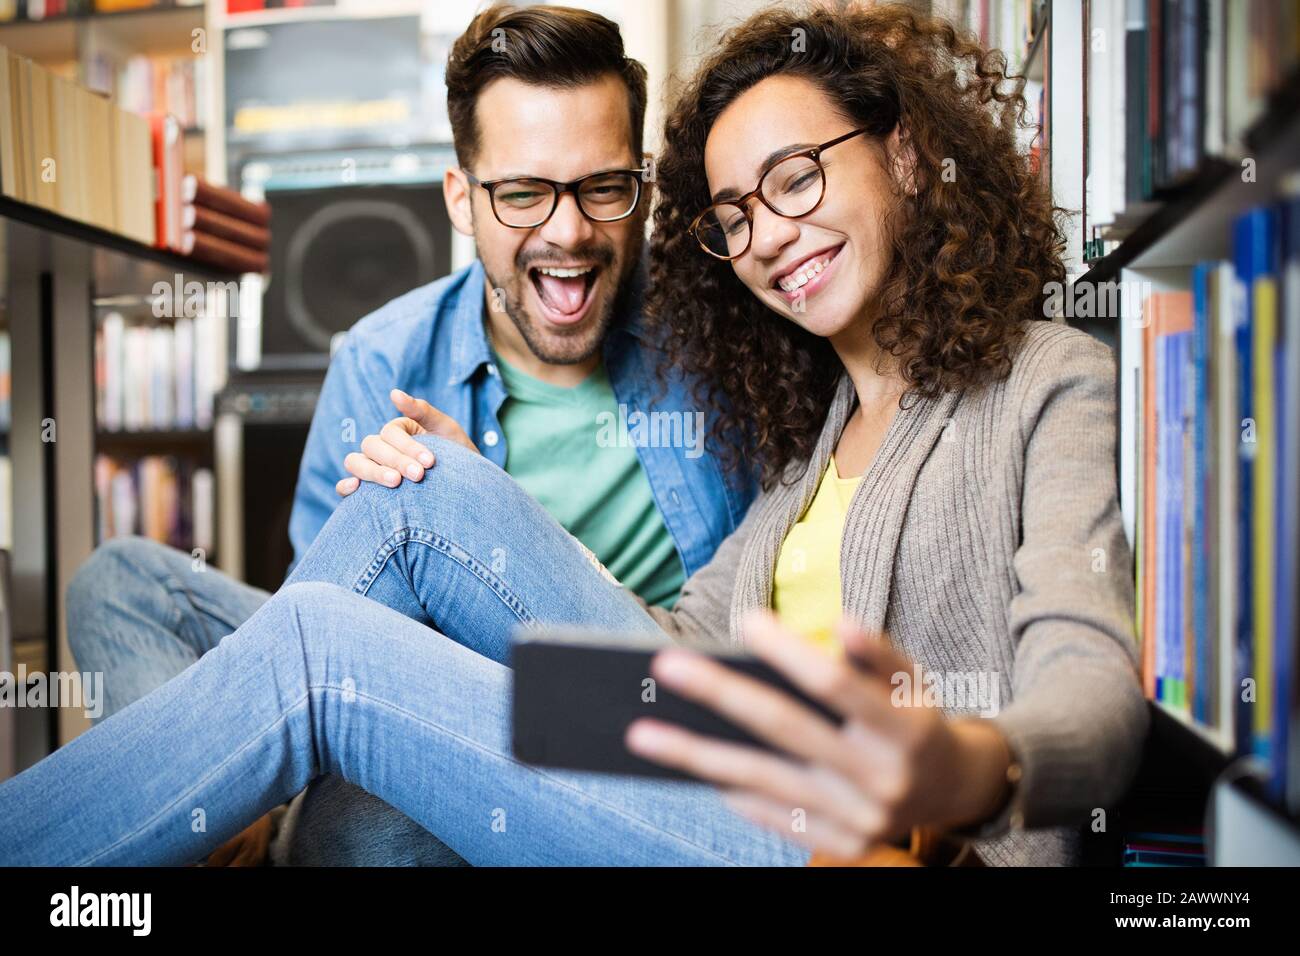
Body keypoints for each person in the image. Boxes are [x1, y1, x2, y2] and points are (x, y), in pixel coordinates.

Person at [0, 2, 1147, 867]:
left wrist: (960, 764)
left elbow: (1094, 695)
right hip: (697, 760)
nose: (767, 236)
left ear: (901, 153)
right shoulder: (821, 438)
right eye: (737, 214)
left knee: (323, 659)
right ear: (465, 199)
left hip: (821, 835)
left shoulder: (1046, 381)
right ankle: (246, 803)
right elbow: (667, 641)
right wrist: (469, 519)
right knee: (175, 580)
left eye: (795, 179)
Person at [64, 4, 754, 866]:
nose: (569, 231)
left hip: (586, 720)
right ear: (462, 199)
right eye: (523, 193)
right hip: (395, 693)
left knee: (366, 826)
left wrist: (483, 509)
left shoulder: (726, 344)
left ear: (642, 185)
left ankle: (225, 817)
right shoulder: (382, 356)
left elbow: (728, 639)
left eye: (603, 186)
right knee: (119, 581)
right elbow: (327, 622)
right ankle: (233, 816)